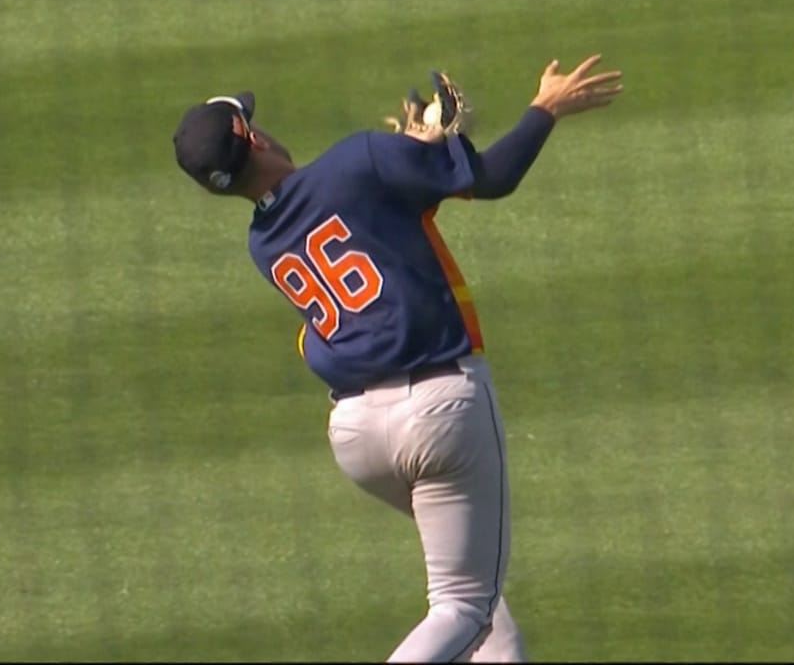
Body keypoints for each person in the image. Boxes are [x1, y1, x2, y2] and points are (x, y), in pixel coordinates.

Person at [172, 55, 624, 662]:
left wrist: (411, 153)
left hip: (359, 439)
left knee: (486, 609)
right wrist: (546, 107)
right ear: (252, 136)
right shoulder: (359, 161)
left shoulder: (265, 242)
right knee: (464, 605)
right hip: (440, 415)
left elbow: (373, 216)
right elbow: (493, 177)